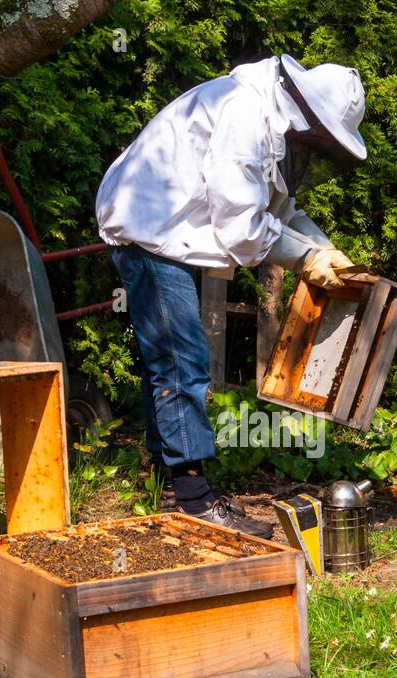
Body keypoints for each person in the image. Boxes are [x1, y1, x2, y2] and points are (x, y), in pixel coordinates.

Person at [96, 54, 366, 538]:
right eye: (323, 139)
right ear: (311, 119)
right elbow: (242, 228)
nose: (319, 149)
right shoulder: (245, 114)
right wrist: (305, 260)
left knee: (169, 358)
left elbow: (280, 212)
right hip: (148, 229)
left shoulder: (269, 119)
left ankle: (170, 484)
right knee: (183, 359)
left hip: (165, 232)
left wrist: (326, 248)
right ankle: (194, 501)